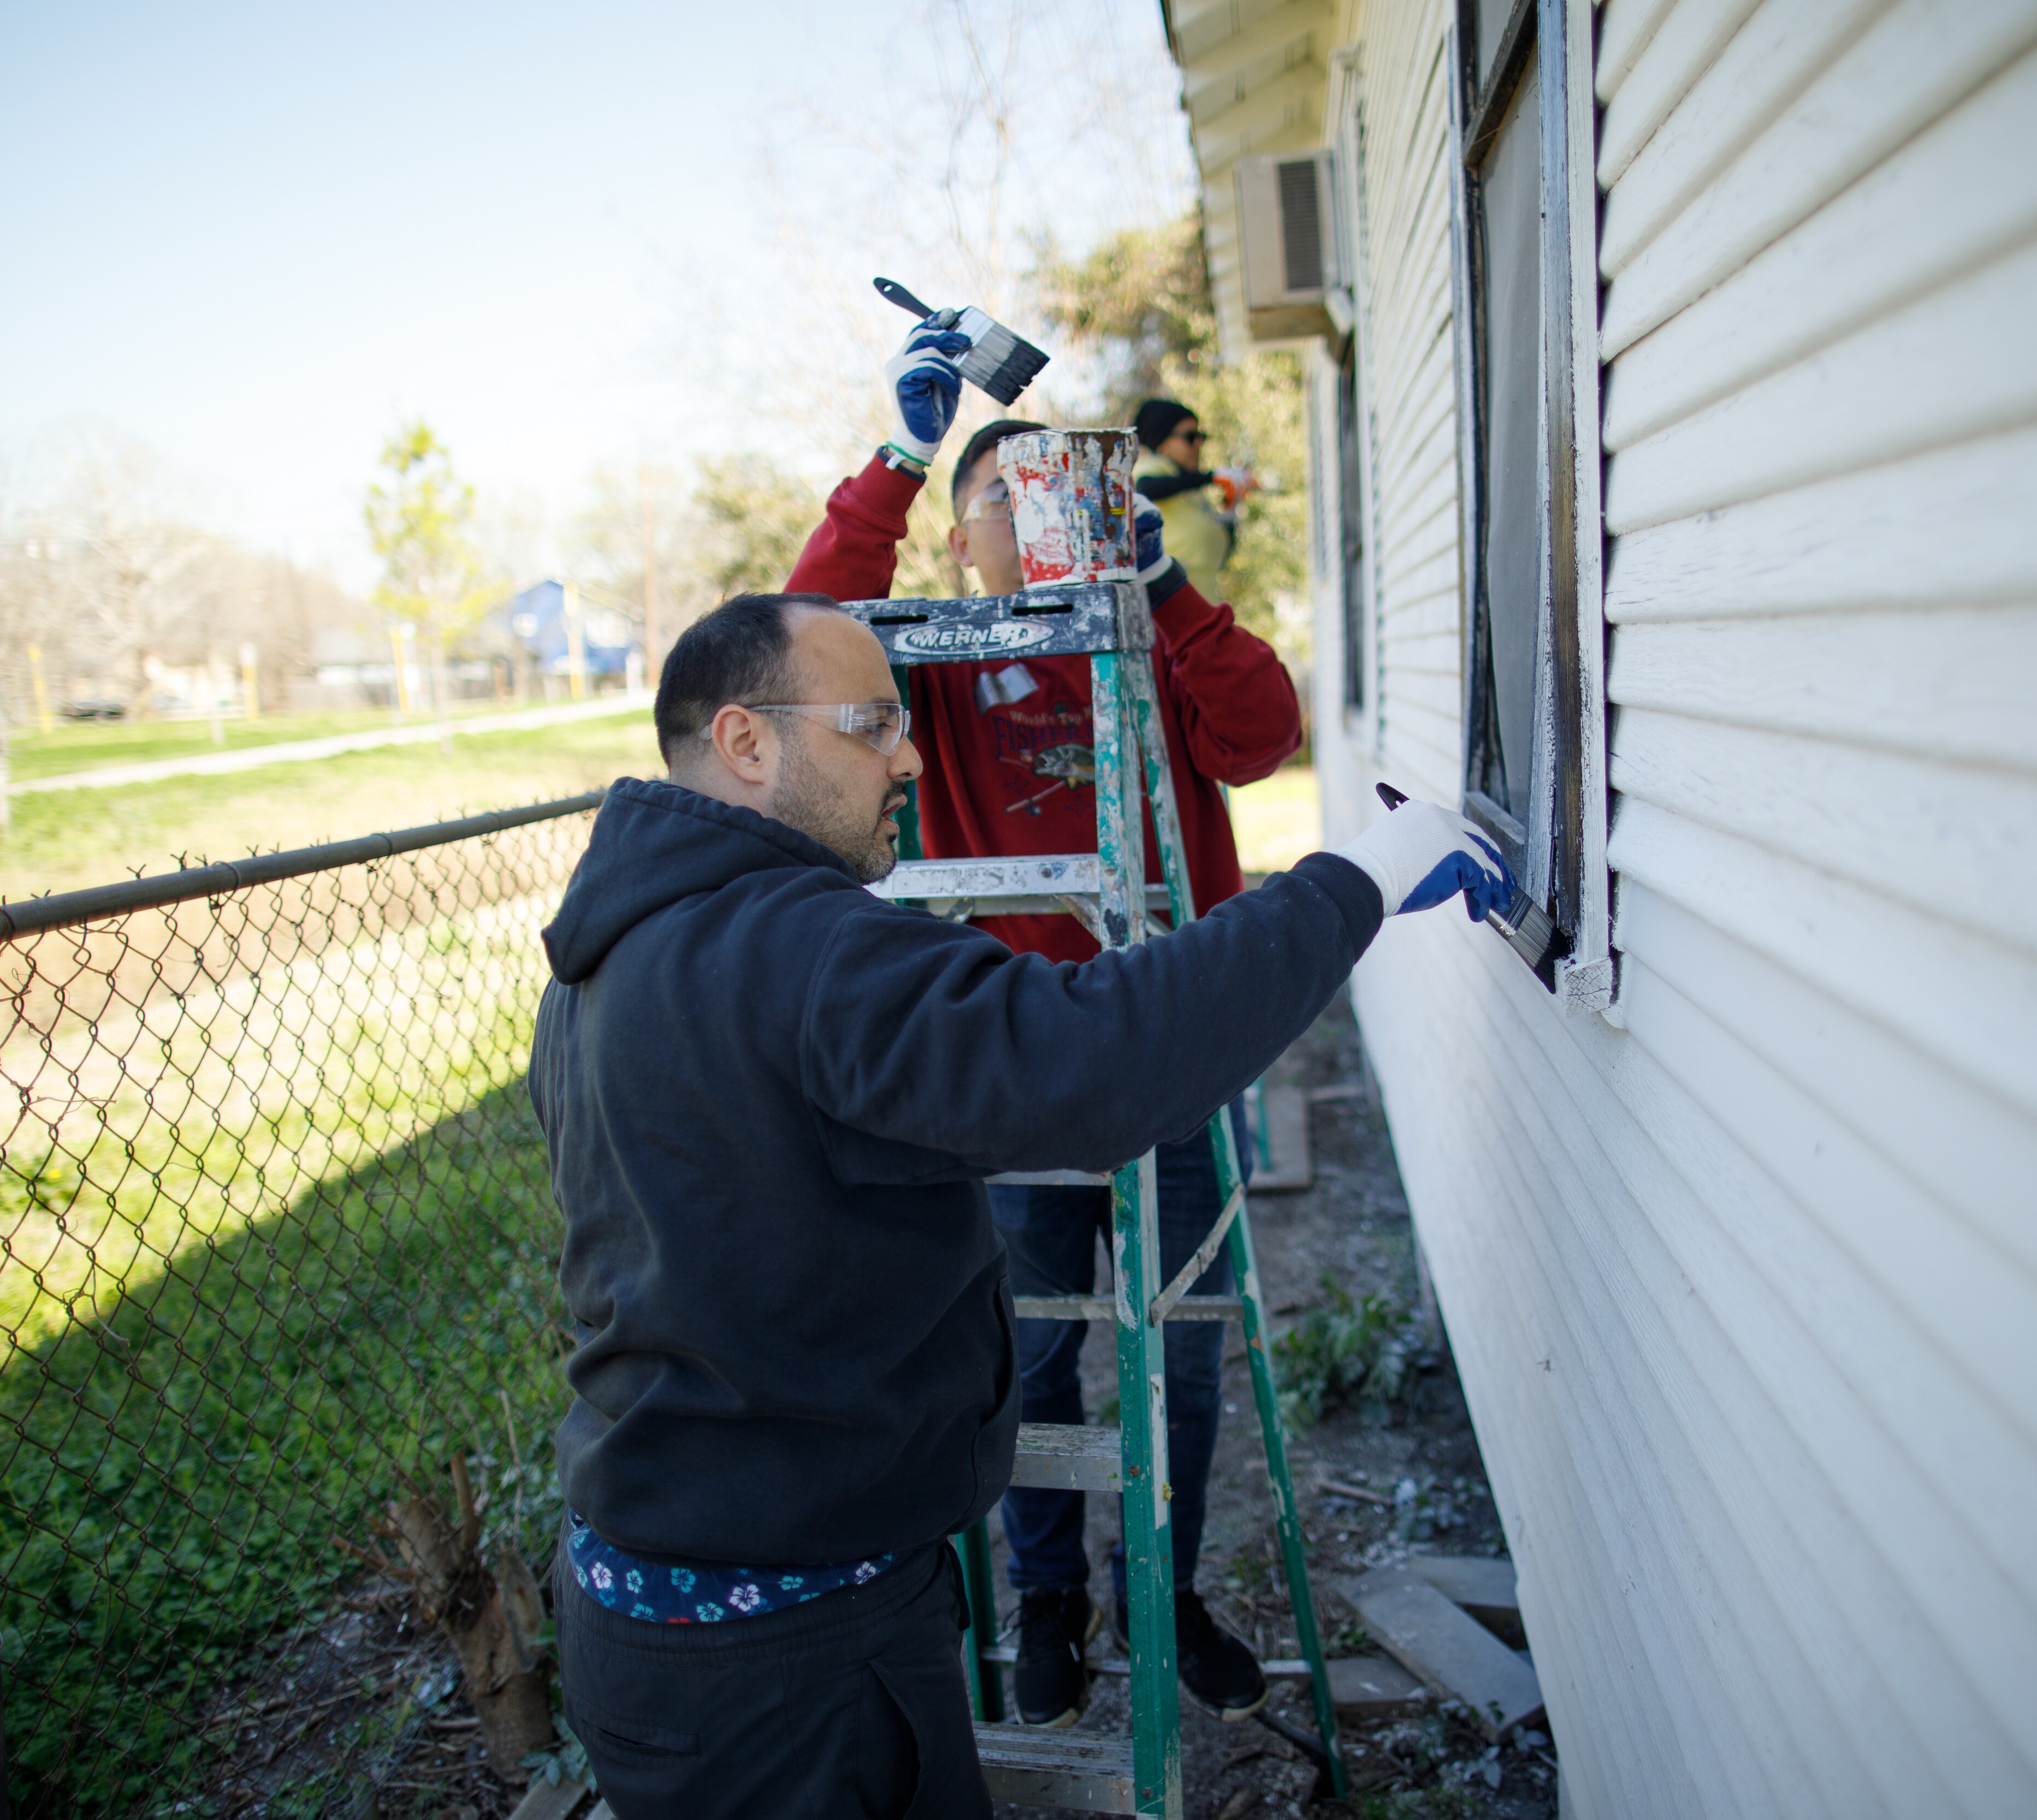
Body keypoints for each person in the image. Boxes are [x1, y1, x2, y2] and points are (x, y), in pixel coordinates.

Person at [534, 576, 1514, 1817]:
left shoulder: (606, 960)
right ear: (743, 743)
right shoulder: (811, 950)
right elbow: (1101, 1056)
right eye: (875, 727)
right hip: (788, 1657)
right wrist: (1357, 880)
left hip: (664, 1612)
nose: (909, 759)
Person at [784, 330, 1300, 1730]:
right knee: (1025, 1352)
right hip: (1017, 1054)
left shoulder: (1147, 637)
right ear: (962, 544)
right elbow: (803, 633)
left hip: (1171, 1037)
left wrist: (1165, 578)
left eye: (1070, 489)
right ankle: (1048, 1605)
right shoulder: (934, 673)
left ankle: (1168, 1589)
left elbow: (1263, 740)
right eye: (1012, 494)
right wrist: (898, 458)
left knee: (1182, 1343)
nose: (1046, 512)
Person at [1130, 396, 1251, 601]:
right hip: (1171, 612)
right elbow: (1146, 487)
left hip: (1203, 605)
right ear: (1162, 442)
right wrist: (1212, 477)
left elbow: (1218, 555)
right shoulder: (1152, 467)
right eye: (1190, 437)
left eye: (1201, 437)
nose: (1198, 444)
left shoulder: (1191, 492)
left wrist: (1230, 514)